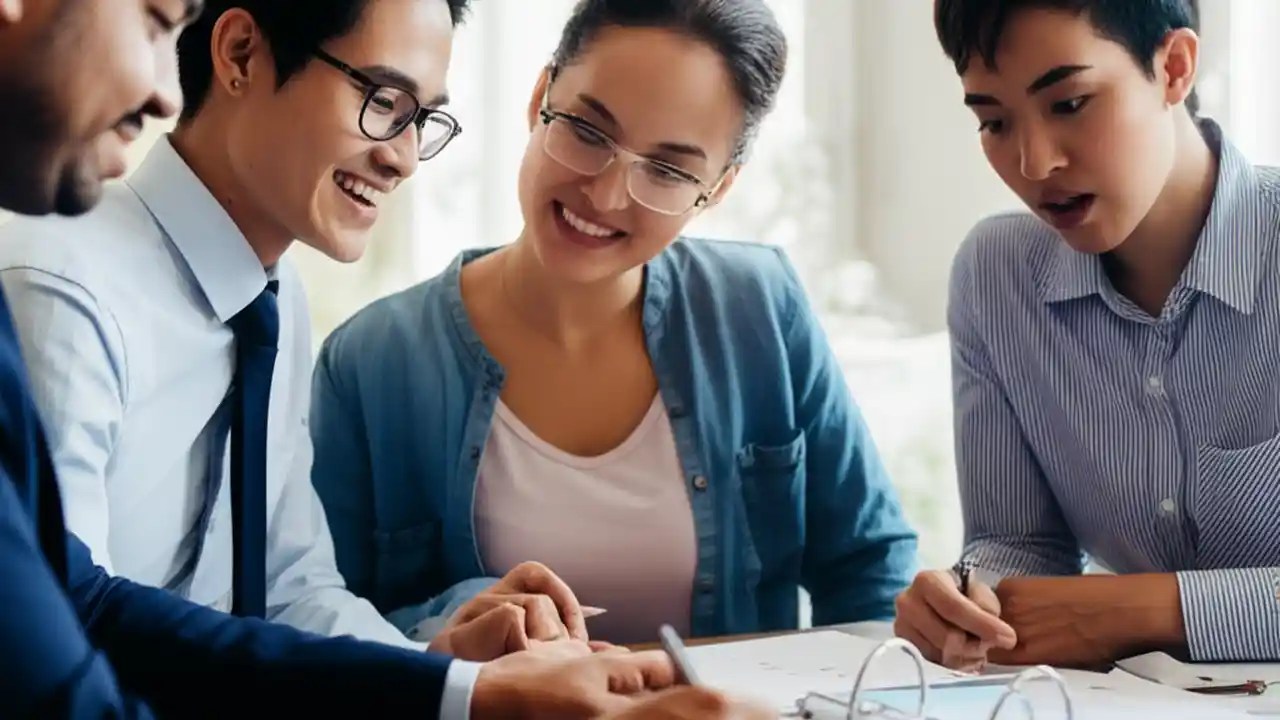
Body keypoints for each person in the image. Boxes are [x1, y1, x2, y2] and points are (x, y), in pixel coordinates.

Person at [0, 0, 691, 716]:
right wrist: (466, 697)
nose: (402, 157)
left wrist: (443, 674)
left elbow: (293, 586)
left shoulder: (272, 295)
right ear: (239, 55)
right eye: (382, 100)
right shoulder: (58, 290)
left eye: (422, 120)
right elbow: (71, 618)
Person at [310, 0, 918, 647]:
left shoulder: (761, 309)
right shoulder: (371, 363)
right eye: (588, 131)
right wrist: (446, 628)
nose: (604, 196)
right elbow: (316, 627)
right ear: (541, 95)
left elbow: (871, 572)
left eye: (667, 171)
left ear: (716, 188)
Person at [894, 0, 1280, 669]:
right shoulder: (998, 278)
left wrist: (1141, 610)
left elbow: (1095, 614)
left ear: (1174, 68)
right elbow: (1019, 545)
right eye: (993, 121)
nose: (1034, 163)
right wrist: (968, 603)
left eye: (1069, 103)